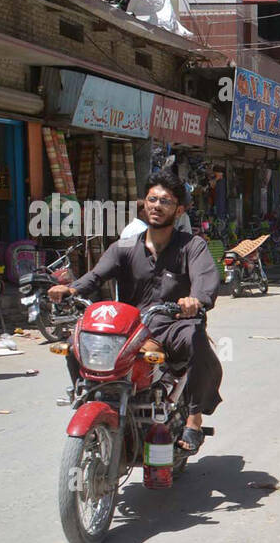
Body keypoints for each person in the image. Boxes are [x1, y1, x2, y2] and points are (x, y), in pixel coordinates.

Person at [48, 172, 222, 453]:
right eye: (152, 199)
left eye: (165, 201)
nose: (157, 205)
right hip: (134, 326)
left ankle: (193, 418)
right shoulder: (125, 246)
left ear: (178, 210)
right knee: (74, 345)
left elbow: (205, 279)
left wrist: (196, 300)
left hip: (174, 323)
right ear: (144, 204)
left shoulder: (192, 246)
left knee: (196, 340)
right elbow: (95, 275)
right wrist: (71, 290)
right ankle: (88, 399)